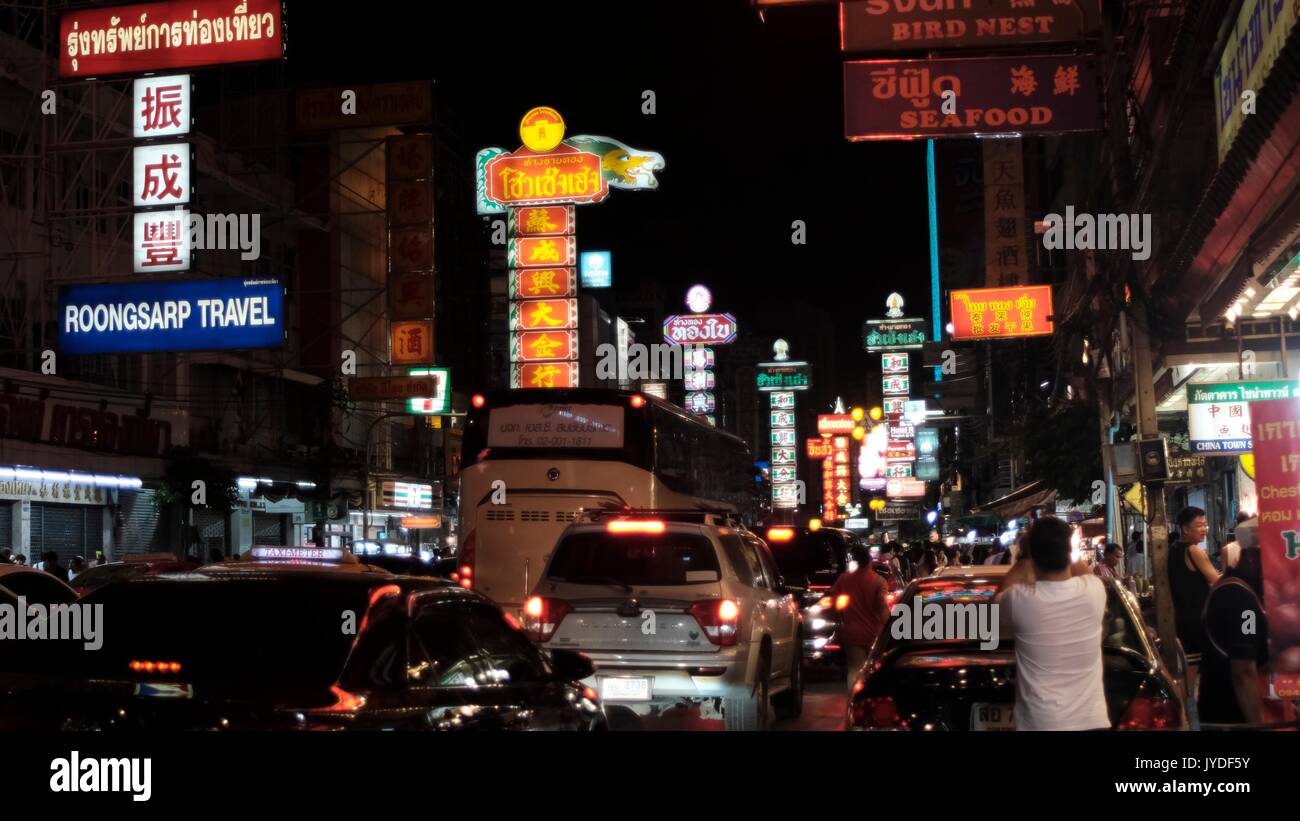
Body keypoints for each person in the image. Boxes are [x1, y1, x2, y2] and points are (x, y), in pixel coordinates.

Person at [993, 516, 1109, 731]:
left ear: (1033, 556)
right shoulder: (1094, 590)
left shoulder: (1020, 598)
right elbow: (1083, 570)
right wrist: (1062, 550)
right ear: (1068, 550)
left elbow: (991, 609)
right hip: (1092, 720)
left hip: (1041, 722)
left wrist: (1025, 557)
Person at [1198, 518, 1268, 727]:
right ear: (1253, 558)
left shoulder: (1233, 588)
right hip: (1232, 718)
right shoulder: (1240, 599)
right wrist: (1257, 724)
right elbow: (1243, 671)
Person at [1169, 506, 1219, 687]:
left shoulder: (1173, 549)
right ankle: (1192, 711)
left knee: (1188, 667)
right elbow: (1215, 580)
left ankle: (1188, 708)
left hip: (1183, 617)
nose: (1204, 529)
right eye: (1199, 525)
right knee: (1194, 668)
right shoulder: (1194, 551)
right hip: (1197, 618)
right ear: (1185, 528)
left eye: (1205, 525)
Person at [830, 544, 891, 691]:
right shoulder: (879, 581)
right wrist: (890, 630)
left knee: (855, 669)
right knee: (874, 670)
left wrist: (840, 621)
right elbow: (883, 609)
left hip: (852, 632)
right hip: (875, 634)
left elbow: (834, 604)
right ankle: (871, 698)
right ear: (870, 561)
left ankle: (854, 700)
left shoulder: (843, 579)